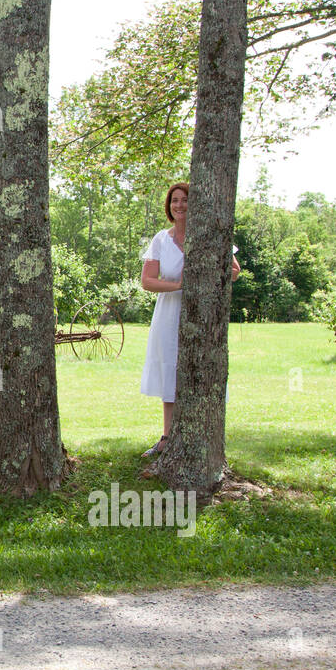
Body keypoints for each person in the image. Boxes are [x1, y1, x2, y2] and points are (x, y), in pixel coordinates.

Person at [138, 182, 240, 462]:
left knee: (201, 370)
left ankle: (202, 437)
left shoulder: (208, 237)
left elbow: (234, 271)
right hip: (169, 314)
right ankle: (167, 438)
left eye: (185, 200)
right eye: (175, 201)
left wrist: (208, 278)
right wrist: (181, 285)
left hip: (203, 315)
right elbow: (147, 281)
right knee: (170, 372)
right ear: (169, 206)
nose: (180, 205)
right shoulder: (161, 239)